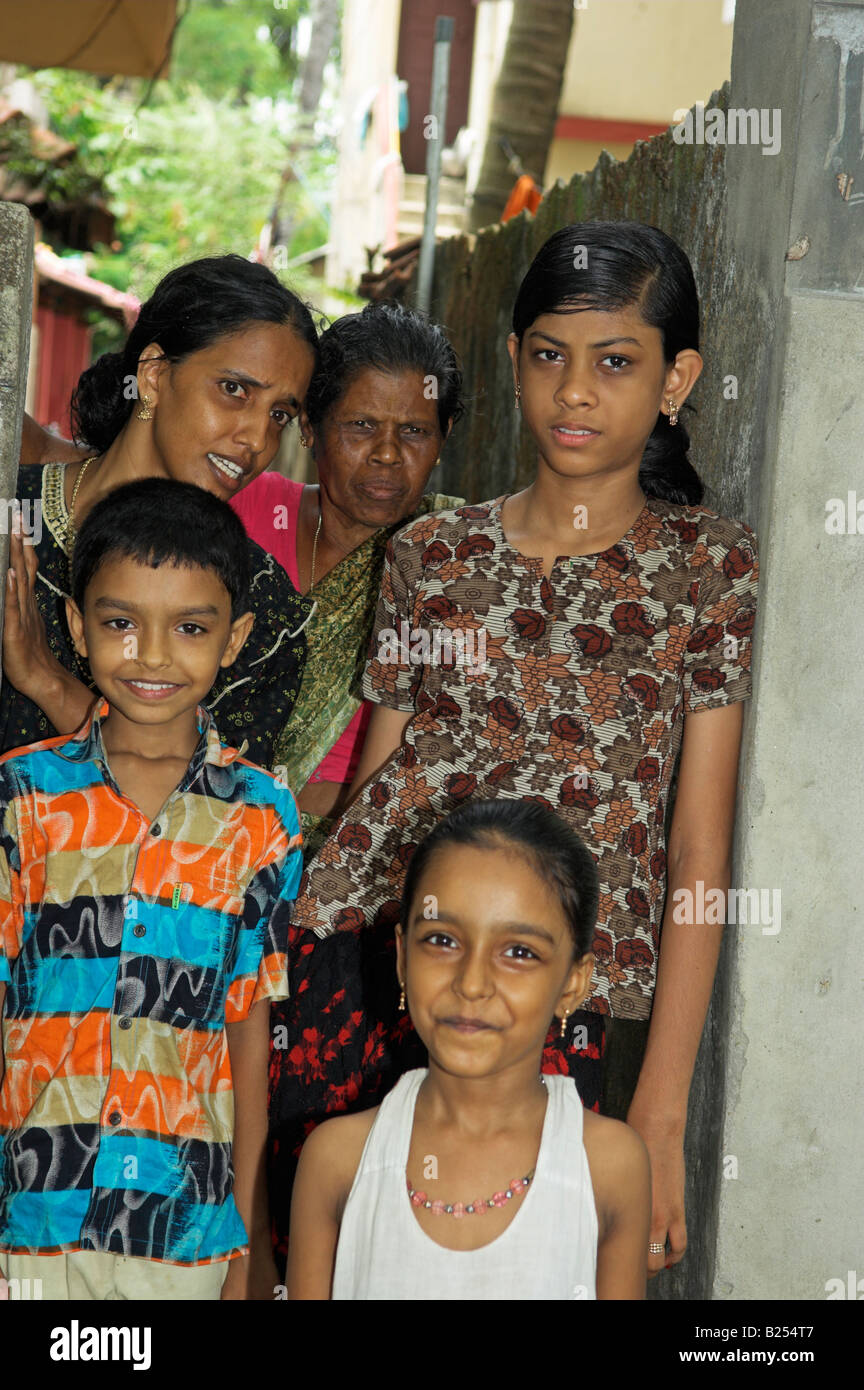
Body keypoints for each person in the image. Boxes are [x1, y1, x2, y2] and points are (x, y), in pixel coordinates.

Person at [278, 221, 760, 1279]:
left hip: (550, 1009)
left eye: (616, 362)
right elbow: (375, 790)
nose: (576, 392)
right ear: (512, 362)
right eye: (549, 355)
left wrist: (663, 1114)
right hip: (372, 980)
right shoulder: (431, 555)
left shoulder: (706, 572)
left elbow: (699, 858)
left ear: (677, 379)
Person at [0, 479, 302, 1301]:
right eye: (121, 623)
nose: (155, 655)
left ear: (234, 638)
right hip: (29, 1219)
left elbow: (248, 1035)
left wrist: (240, 1241)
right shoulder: (23, 798)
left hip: (183, 1232)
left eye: (192, 628)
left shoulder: (261, 818)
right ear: (76, 625)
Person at [286, 799, 650, 1300]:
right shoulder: (339, 1159)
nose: (472, 982)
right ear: (402, 956)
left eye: (519, 952)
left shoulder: (606, 1166)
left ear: (572, 983)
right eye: (441, 940)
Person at [3, 254, 318, 765]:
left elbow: (214, 809)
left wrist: (49, 681)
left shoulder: (260, 607)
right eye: (234, 390)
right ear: (152, 375)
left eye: (280, 414)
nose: (258, 439)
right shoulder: (11, 517)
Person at [230, 301, 465, 860]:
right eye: (361, 426)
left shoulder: (458, 560)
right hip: (200, 856)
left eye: (414, 431)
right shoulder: (238, 512)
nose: (387, 454)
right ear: (310, 426)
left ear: (444, 436)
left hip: (365, 871)